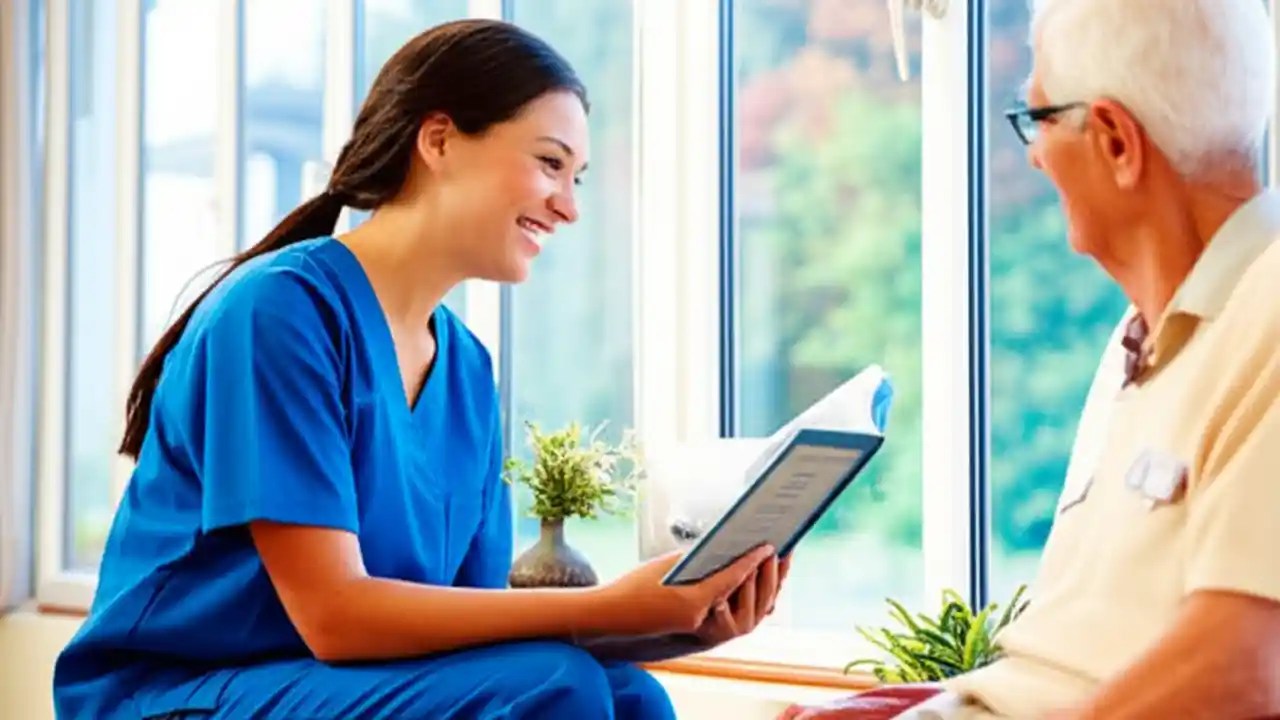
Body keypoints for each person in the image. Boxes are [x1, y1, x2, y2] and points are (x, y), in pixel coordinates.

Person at [52, 19, 788, 720]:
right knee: (553, 689)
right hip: (180, 693)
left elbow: (472, 631)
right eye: (549, 163)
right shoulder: (280, 313)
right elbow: (335, 616)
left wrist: (675, 625)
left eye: (579, 178)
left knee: (630, 697)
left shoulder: (466, 371)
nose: (568, 206)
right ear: (438, 139)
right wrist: (611, 604)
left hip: (327, 688)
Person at [783, 0, 1280, 718]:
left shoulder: (1266, 313)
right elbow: (1089, 659)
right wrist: (928, 703)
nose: (1033, 154)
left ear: (1115, 141)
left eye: (1037, 118)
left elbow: (1245, 666)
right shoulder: (1142, 344)